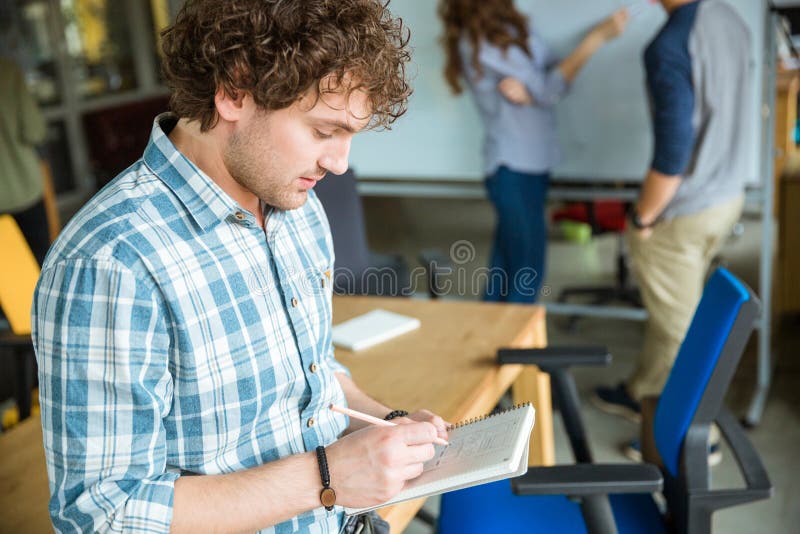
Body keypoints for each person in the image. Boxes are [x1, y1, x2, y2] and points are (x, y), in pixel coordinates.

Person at [31, 1, 449, 532]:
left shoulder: (297, 207)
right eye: (324, 132)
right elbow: (105, 516)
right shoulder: (112, 261)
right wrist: (329, 476)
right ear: (234, 93)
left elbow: (314, 375)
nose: (340, 163)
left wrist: (385, 427)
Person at [592, 0, 752, 463]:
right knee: (676, 308)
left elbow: (673, 150)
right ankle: (641, 393)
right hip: (727, 196)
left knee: (682, 329)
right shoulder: (731, 19)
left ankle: (698, 439)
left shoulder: (670, 45)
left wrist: (643, 217)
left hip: (684, 209)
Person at [439, 0, 628, 302]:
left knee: (505, 270)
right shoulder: (482, 41)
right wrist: (595, 39)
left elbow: (551, 77)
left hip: (530, 165)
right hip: (513, 167)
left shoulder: (512, 28)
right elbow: (549, 88)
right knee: (526, 272)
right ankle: (512, 335)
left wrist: (538, 89)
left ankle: (493, 332)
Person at [0, 57, 50, 265]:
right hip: (24, 189)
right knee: (39, 265)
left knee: (7, 273)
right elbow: (34, 131)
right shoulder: (7, 71)